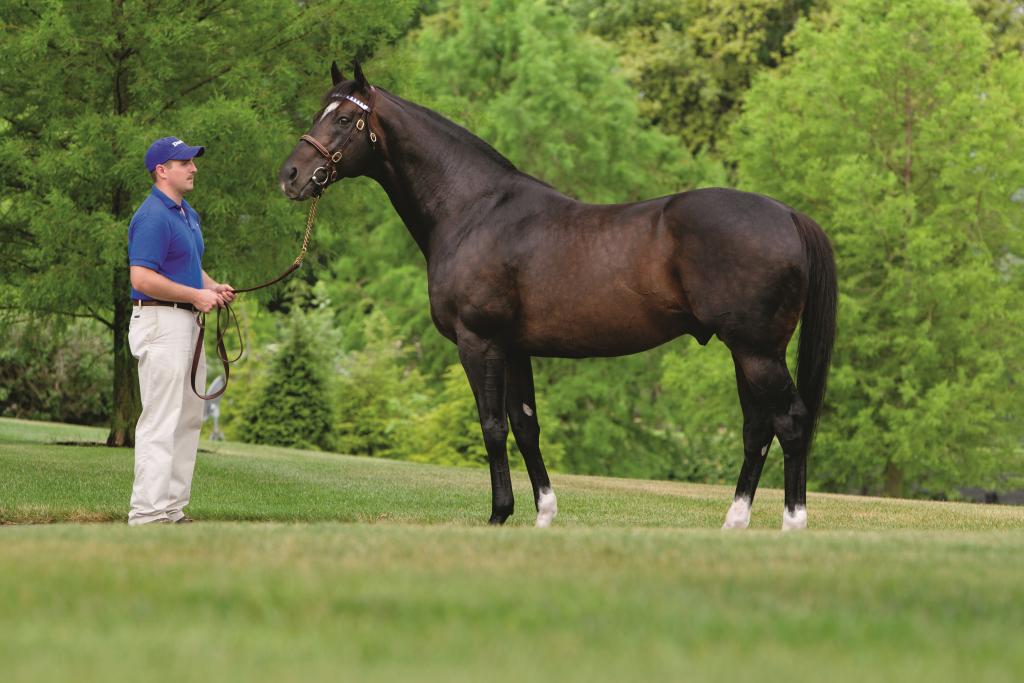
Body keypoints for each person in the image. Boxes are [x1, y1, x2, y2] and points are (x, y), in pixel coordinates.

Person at [126, 136, 235, 525]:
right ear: (162, 171)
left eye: (192, 161)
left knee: (188, 417)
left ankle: (171, 508)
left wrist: (210, 286)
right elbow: (142, 276)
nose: (193, 168)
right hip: (160, 321)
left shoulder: (185, 212)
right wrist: (194, 294)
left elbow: (187, 264)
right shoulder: (153, 215)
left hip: (185, 321)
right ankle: (147, 513)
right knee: (161, 419)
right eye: (184, 162)